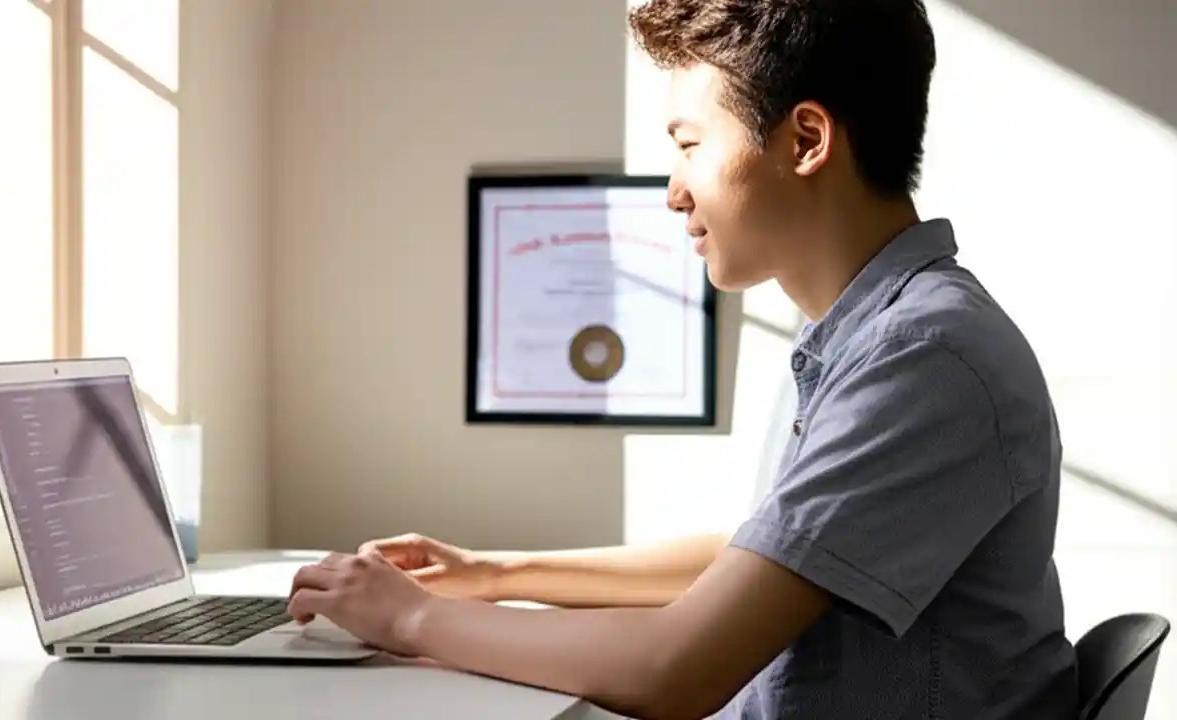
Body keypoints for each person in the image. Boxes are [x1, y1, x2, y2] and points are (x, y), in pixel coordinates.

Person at [286, 1, 1080, 718]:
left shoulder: (921, 357)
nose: (673, 192)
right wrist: (495, 572)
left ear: (806, 140)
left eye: (690, 147)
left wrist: (407, 617)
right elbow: (762, 563)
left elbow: (677, 669)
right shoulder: (867, 334)